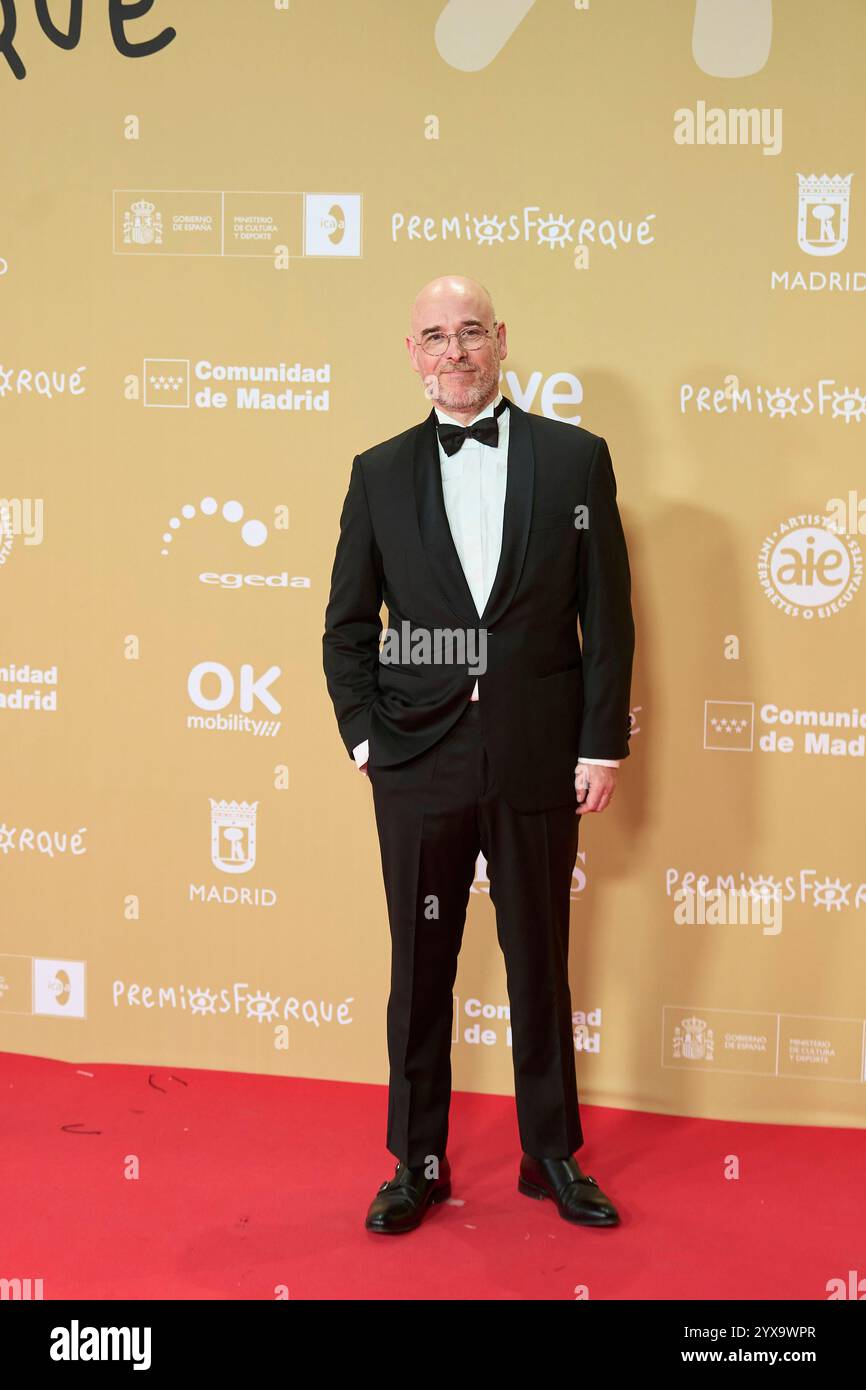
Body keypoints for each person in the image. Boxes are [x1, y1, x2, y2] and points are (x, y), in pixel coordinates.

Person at [322, 275, 635, 1234]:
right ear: (411, 354)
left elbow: (607, 618)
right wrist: (370, 737)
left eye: (468, 333)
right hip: (418, 764)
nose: (452, 352)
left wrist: (599, 745)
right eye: (432, 337)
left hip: (540, 757)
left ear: (500, 339)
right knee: (420, 966)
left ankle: (551, 1157)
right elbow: (346, 629)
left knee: (541, 960)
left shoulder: (576, 460)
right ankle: (416, 1163)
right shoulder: (377, 473)